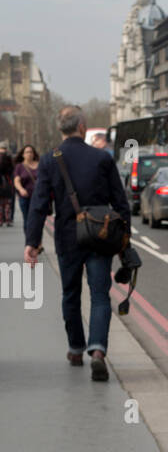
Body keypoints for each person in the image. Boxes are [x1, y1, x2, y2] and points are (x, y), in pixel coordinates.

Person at [24, 105, 130, 380]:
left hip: (68, 237)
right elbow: (120, 203)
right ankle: (97, 350)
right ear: (82, 127)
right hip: (100, 235)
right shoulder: (102, 158)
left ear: (61, 129)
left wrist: (32, 242)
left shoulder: (49, 160)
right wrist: (125, 241)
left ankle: (75, 348)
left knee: (70, 294)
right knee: (99, 294)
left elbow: (38, 204)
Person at [13, 144, 40, 234]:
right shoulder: (19, 167)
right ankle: (29, 241)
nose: (29, 154)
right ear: (23, 155)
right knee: (27, 219)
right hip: (25, 198)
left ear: (34, 154)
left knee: (37, 219)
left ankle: (38, 242)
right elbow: (16, 181)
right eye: (27, 152)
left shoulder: (40, 165)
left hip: (38, 197)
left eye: (31, 152)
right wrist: (21, 189)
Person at [0, 141, 14, 225]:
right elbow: (12, 169)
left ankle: (1, 220)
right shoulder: (9, 158)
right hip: (8, 181)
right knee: (8, 202)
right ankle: (8, 219)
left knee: (0, 203)